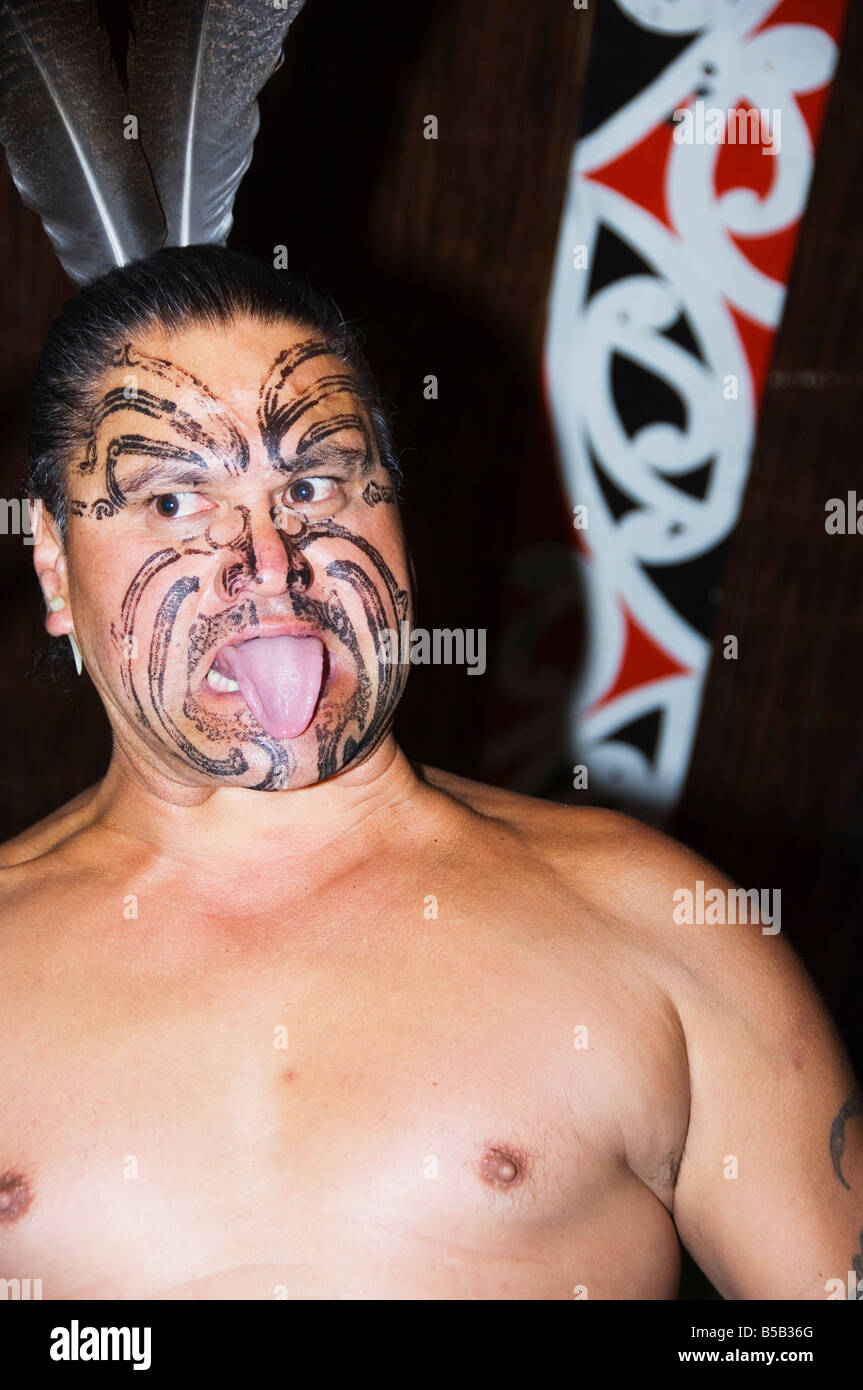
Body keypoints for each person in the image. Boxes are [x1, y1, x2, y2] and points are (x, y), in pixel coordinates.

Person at [0, 246, 859, 1301]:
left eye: (312, 482)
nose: (267, 559)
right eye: (175, 502)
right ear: (52, 561)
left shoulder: (662, 924)